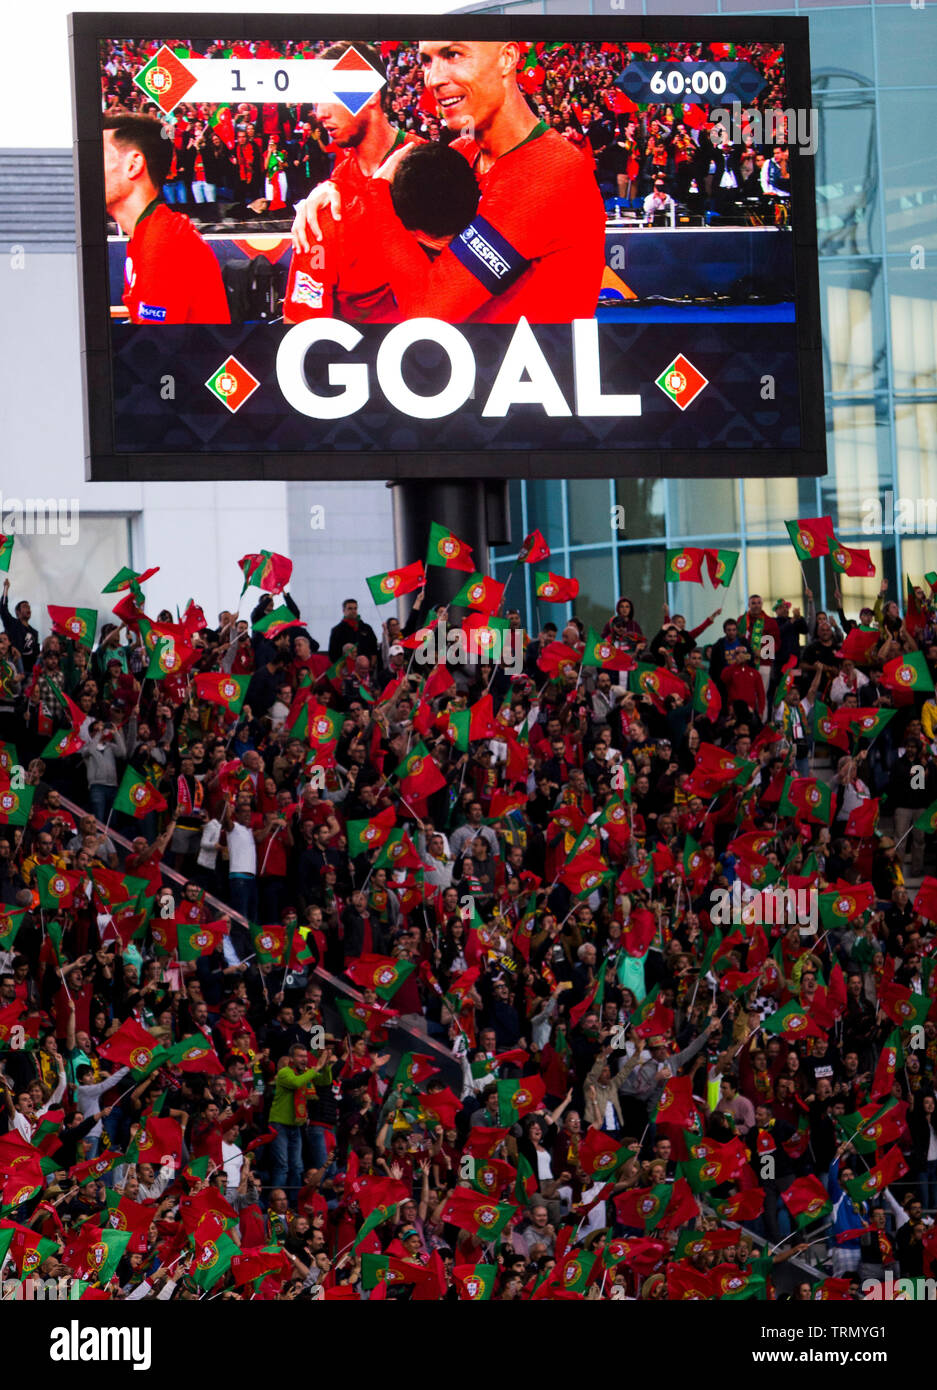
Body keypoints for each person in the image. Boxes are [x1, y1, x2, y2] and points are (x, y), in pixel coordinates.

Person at [293, 39, 607, 323]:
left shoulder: (550, 170)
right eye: (427, 61)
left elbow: (429, 313)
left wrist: (377, 192)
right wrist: (329, 189)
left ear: (508, 57)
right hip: (470, 374)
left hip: (529, 378)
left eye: (453, 54)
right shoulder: (462, 152)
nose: (434, 79)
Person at [103, 113, 231, 324]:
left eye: (99, 157)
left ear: (133, 165)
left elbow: (153, 350)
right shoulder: (148, 233)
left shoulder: (164, 242)